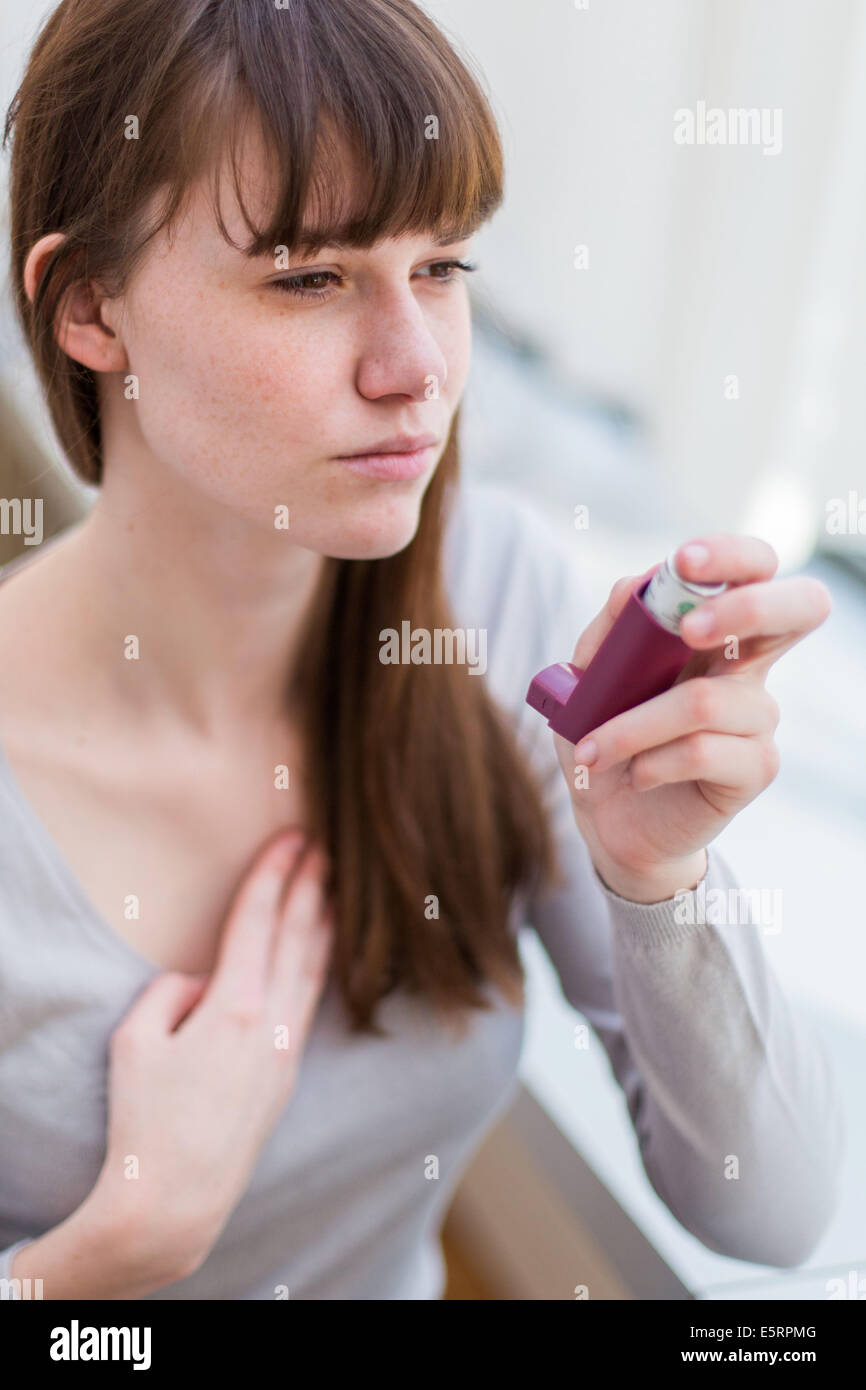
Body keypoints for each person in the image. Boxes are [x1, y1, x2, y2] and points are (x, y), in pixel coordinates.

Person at [0, 0, 842, 1300]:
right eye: (308, 277)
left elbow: (767, 1214)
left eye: (442, 267)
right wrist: (104, 1257)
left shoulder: (495, 597)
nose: (415, 371)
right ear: (90, 309)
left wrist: (659, 875)